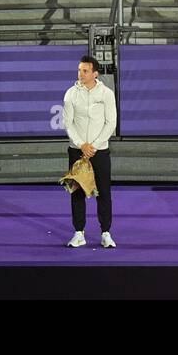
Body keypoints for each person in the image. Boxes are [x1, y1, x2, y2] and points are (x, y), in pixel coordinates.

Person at [64, 54, 117, 248]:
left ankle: (106, 233)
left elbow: (111, 122)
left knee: (104, 192)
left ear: (95, 73)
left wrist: (93, 146)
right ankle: (79, 233)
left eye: (85, 71)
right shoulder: (70, 93)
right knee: (76, 192)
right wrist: (81, 145)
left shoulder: (107, 94)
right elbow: (68, 123)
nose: (81, 74)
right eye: (79, 70)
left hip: (100, 151)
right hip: (77, 151)